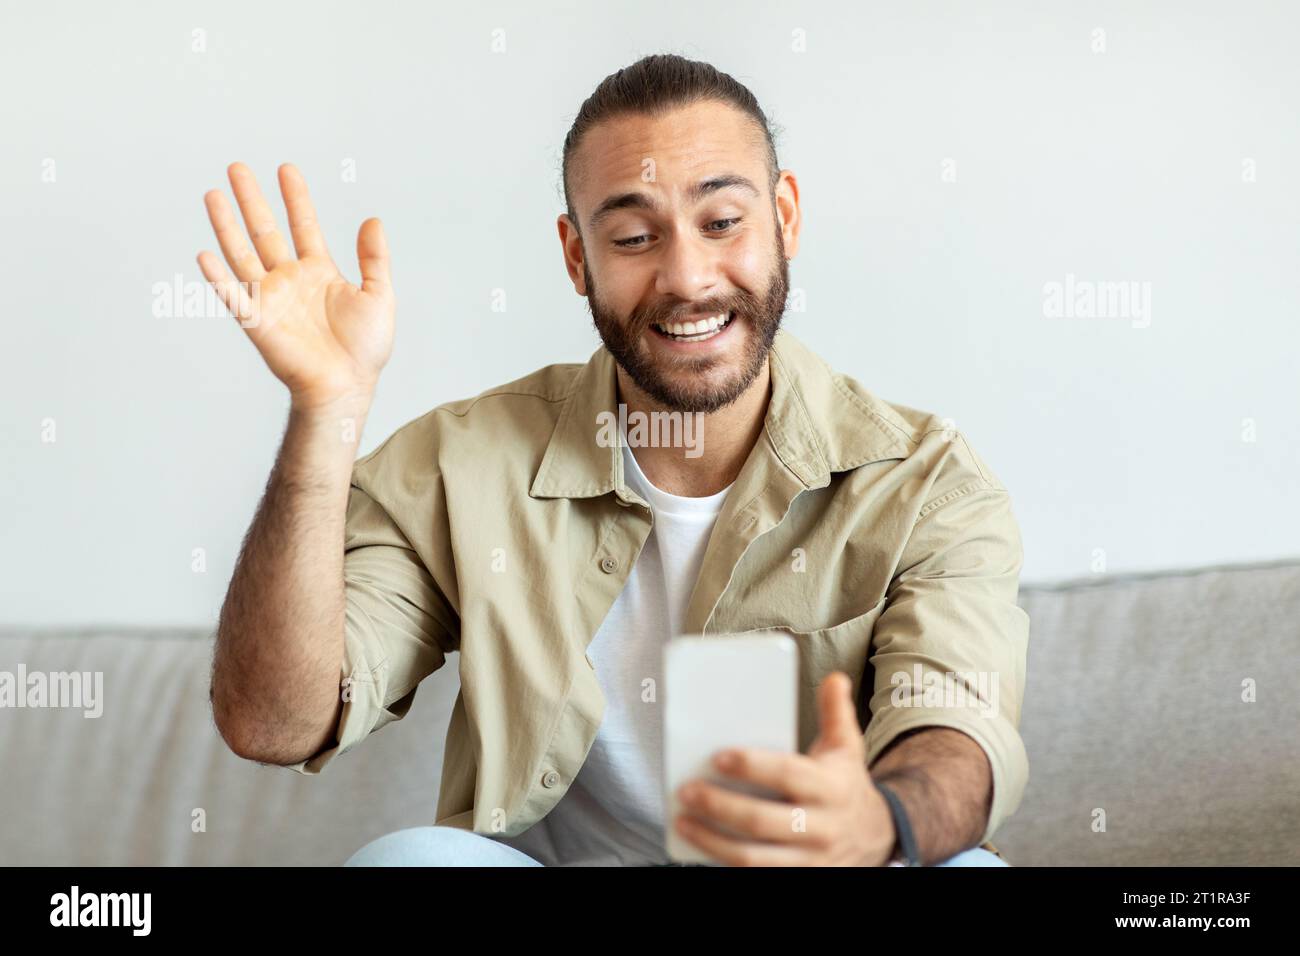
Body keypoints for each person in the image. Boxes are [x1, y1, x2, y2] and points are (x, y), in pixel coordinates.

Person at [203, 54, 1026, 867]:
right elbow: (273, 723)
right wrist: (325, 411)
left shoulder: (927, 483)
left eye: (722, 222)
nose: (687, 277)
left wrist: (882, 820)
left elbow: (955, 730)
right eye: (633, 236)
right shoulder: (461, 465)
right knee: (409, 863)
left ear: (786, 216)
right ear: (576, 258)